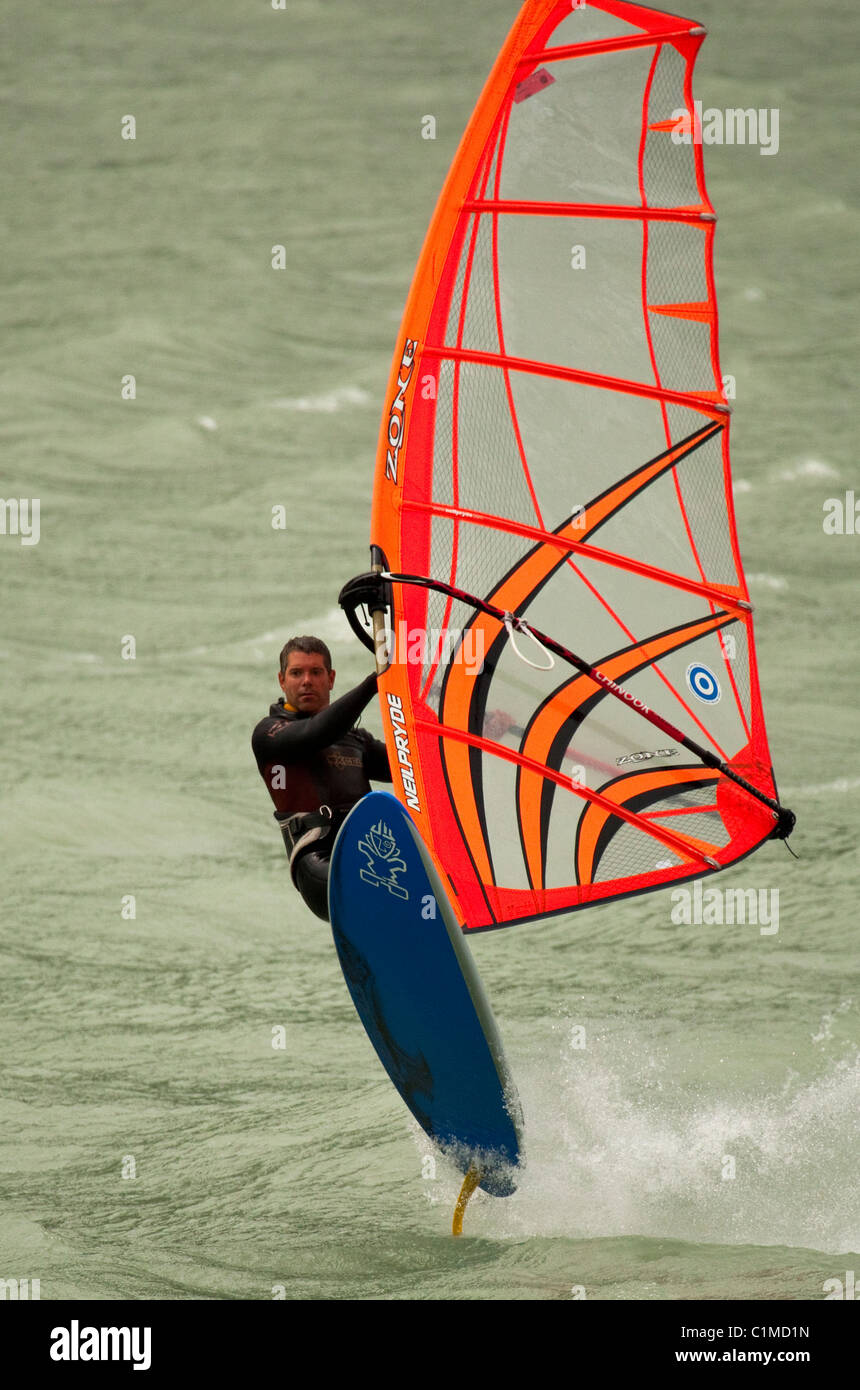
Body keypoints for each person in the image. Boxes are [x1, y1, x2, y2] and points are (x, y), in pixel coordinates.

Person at [251, 635, 391, 920]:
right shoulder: (270, 733)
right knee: (367, 886)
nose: (306, 681)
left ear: (331, 678)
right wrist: (373, 684)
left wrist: (485, 726)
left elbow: (408, 762)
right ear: (281, 680)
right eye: (296, 673)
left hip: (370, 850)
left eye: (316, 672)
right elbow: (316, 733)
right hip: (317, 858)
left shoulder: (355, 740)